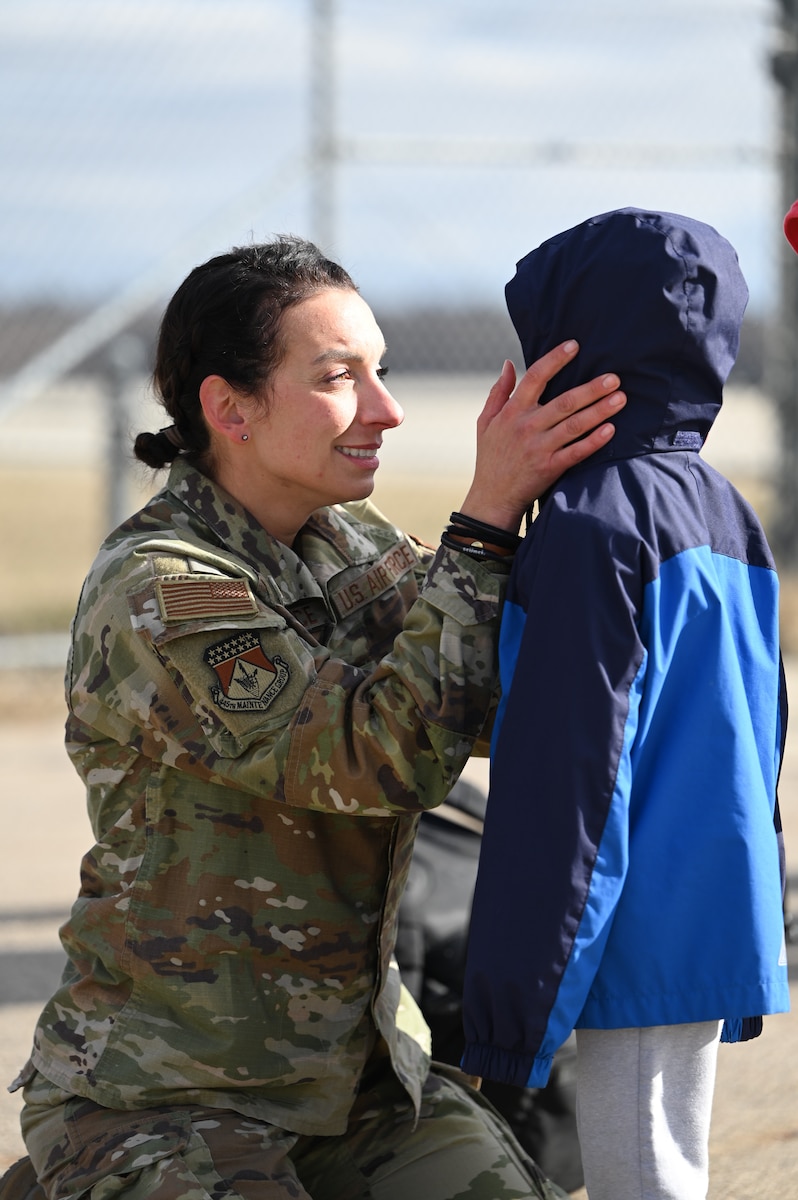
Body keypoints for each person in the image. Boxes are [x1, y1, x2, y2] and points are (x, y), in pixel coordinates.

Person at [7, 236, 627, 1200]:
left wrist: (601, 523)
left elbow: (500, 699)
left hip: (363, 1088)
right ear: (231, 409)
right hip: (167, 1096)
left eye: (381, 370)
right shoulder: (163, 590)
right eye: (339, 378)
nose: (385, 409)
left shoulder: (354, 545)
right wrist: (487, 519)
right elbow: (375, 760)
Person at [460, 208, 790, 1200]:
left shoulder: (590, 527)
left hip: (625, 934)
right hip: (705, 905)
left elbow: (572, 787)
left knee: (645, 1180)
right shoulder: (723, 507)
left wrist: (512, 1004)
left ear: (572, 357)